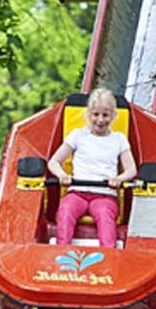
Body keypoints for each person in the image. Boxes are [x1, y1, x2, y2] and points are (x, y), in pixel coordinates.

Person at [47, 88, 136, 248]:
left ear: (114, 116)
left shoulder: (119, 139)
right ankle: (61, 254)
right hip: (77, 192)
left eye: (105, 115)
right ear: (89, 114)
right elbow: (53, 162)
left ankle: (109, 258)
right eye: (96, 115)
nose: (100, 120)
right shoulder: (78, 135)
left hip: (104, 194)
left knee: (105, 215)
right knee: (65, 211)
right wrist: (62, 175)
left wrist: (118, 179)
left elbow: (131, 170)